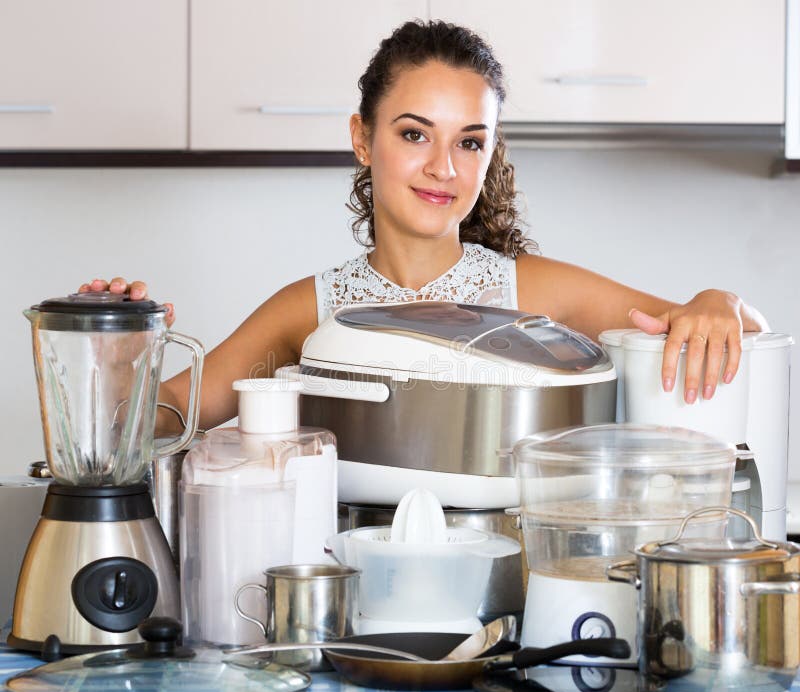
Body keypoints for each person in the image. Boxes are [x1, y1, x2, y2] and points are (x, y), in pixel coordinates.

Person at [80, 20, 768, 433]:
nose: (443, 166)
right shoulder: (308, 312)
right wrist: (116, 356)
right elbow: (161, 421)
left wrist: (718, 301)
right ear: (362, 137)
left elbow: (730, 331)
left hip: (512, 616)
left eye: (470, 142)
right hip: (342, 608)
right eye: (415, 133)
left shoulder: (535, 292)